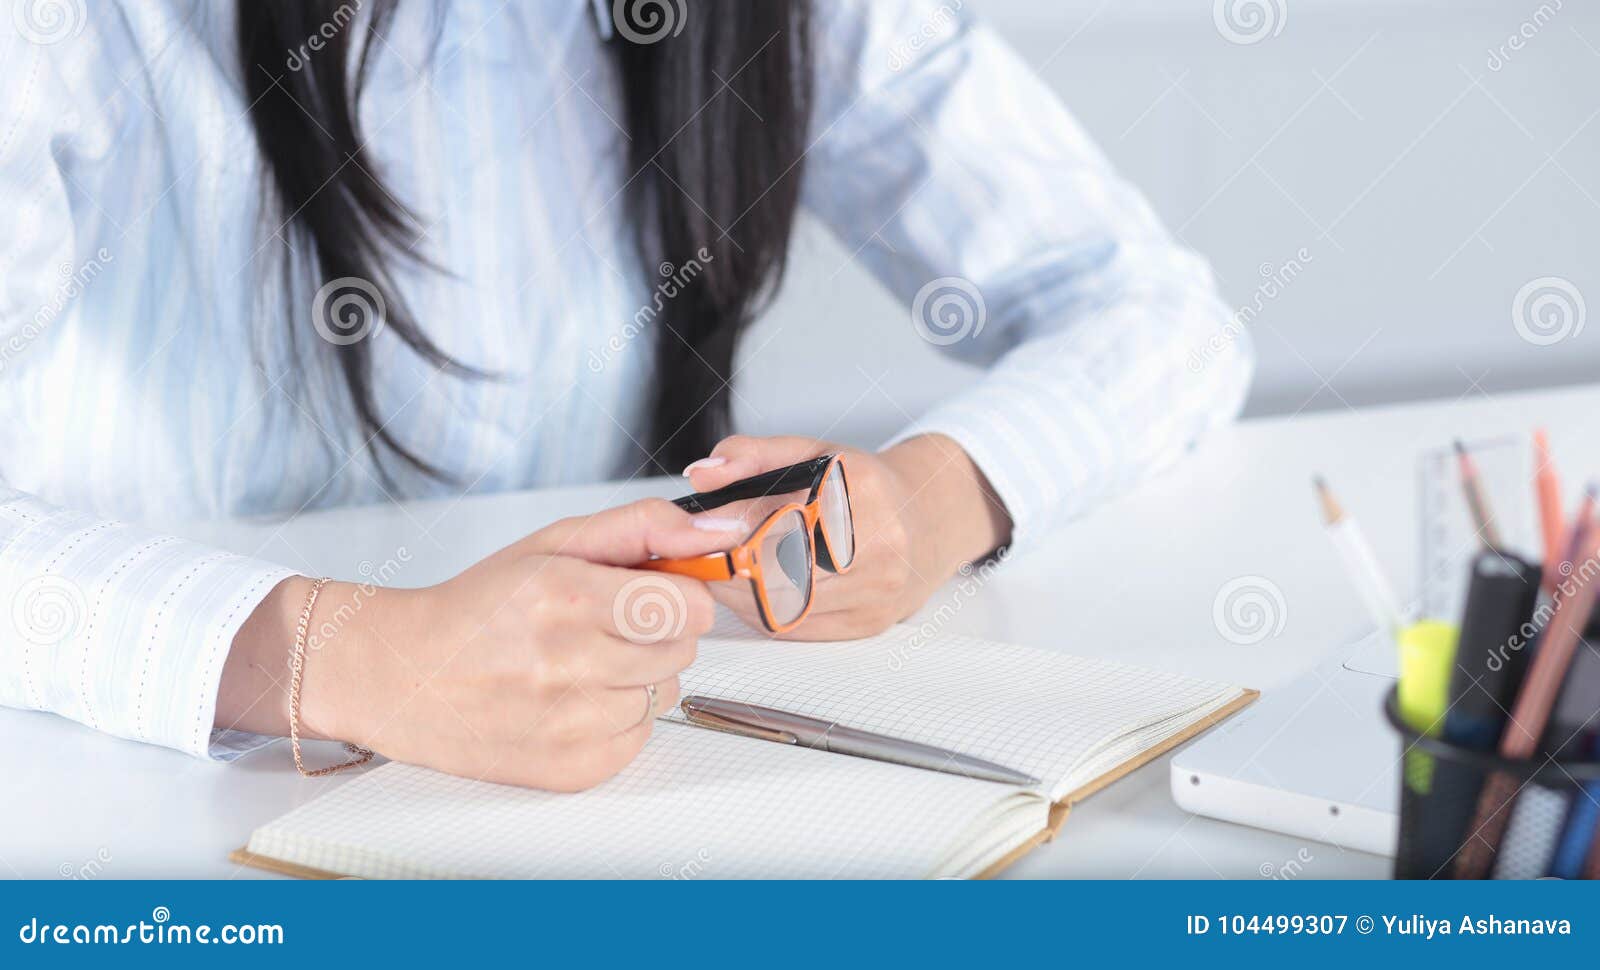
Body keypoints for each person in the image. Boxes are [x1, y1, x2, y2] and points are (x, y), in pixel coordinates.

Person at [0, 0, 1252, 790]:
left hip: (616, 770)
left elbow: (1154, 314)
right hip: (130, 778)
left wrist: (933, 503)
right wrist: (343, 655)